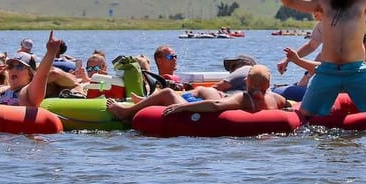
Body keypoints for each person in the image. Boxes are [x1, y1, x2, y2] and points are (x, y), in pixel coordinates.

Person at [106, 64, 290, 121]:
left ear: (246, 81)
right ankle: (145, 99)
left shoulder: (244, 98)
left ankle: (126, 111)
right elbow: (291, 105)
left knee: (169, 93)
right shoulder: (274, 98)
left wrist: (181, 109)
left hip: (213, 106)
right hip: (222, 97)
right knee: (205, 90)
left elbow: (217, 105)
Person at [276, 9, 324, 75]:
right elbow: (311, 46)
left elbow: (328, 65)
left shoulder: (341, 24)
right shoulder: (321, 25)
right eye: (311, 7)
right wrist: (287, 60)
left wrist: (297, 60)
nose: (312, 12)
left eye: (316, 7)